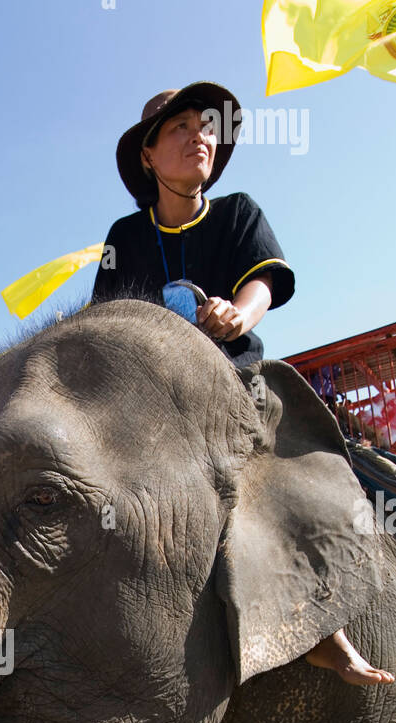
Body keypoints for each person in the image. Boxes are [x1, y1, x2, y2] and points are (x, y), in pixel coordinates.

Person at [93, 82, 392, 689]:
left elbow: (264, 285)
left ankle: (321, 631)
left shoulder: (238, 212)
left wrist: (240, 313)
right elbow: (106, 323)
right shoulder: (123, 237)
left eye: (206, 128)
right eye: (180, 128)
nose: (199, 136)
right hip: (153, 402)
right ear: (148, 155)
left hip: (233, 384)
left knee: (265, 470)